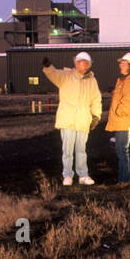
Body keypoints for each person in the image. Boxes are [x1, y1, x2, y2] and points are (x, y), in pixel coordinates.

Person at [41, 51, 102, 186]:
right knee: (67, 149)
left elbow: (96, 99)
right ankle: (67, 175)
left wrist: (96, 115)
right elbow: (53, 74)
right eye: (81, 62)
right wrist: (48, 66)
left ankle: (83, 175)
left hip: (83, 119)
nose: (84, 65)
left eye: (86, 63)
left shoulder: (92, 81)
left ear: (89, 65)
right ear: (76, 63)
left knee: (81, 149)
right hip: (67, 119)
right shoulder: (65, 76)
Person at [106, 52, 130, 186]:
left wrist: (119, 112)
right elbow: (125, 95)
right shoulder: (128, 79)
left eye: (123, 63)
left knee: (122, 151)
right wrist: (114, 92)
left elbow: (128, 101)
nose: (120, 65)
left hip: (124, 122)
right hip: (129, 121)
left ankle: (124, 181)